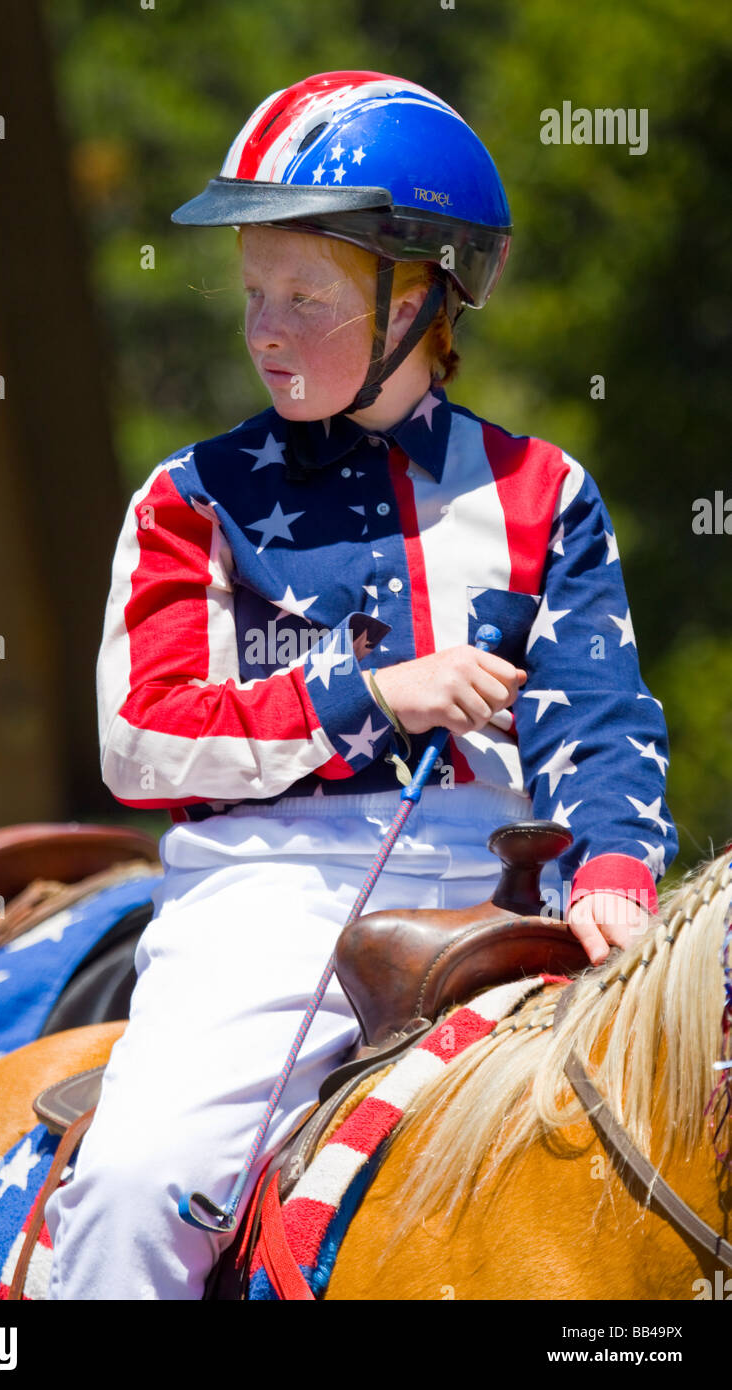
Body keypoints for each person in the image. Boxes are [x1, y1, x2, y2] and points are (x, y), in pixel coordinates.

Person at [46, 70, 676, 1300]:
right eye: (250, 296)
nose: (263, 330)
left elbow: (600, 719)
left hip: (509, 892)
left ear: (417, 294)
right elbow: (140, 739)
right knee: (132, 1189)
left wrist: (609, 866)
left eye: (302, 295)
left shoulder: (545, 490)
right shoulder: (188, 497)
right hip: (266, 900)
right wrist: (373, 694)